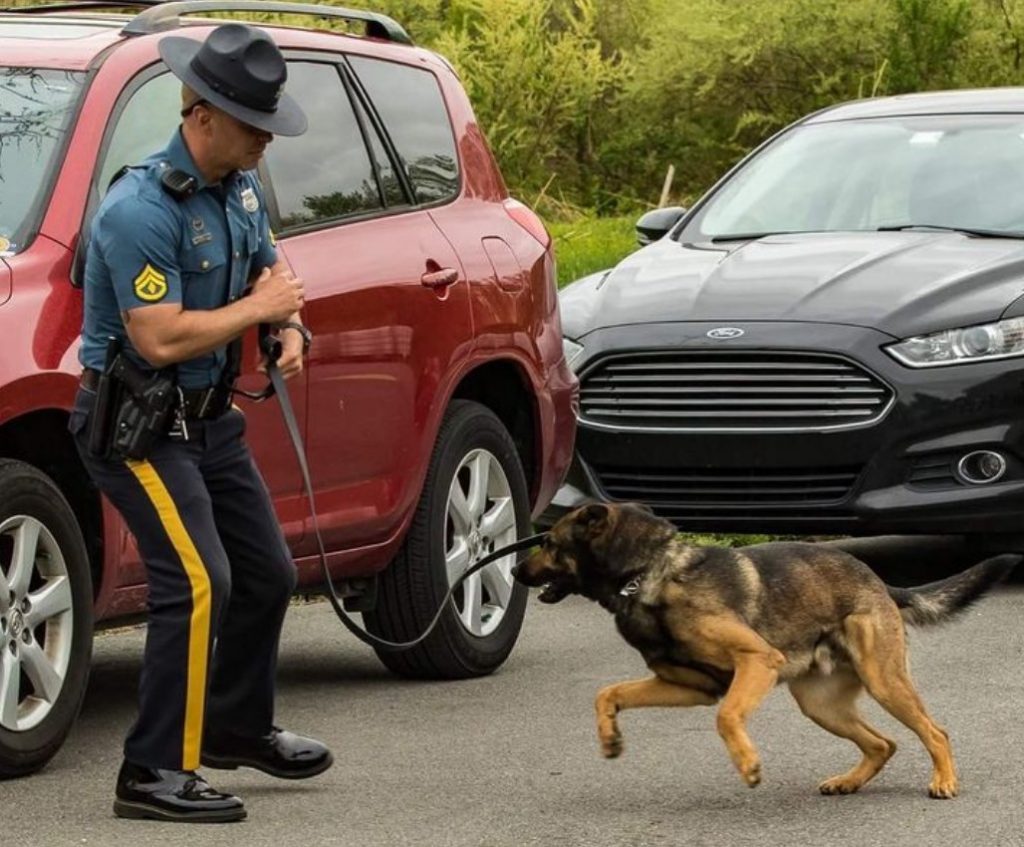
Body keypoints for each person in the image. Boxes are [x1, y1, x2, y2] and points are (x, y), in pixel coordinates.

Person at [69, 23, 331, 824]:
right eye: (254, 125)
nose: (265, 140)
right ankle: (149, 771)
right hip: (137, 428)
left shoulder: (241, 188)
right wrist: (260, 309)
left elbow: (269, 270)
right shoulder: (139, 208)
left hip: (211, 422)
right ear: (202, 113)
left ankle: (233, 726)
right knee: (195, 580)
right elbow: (158, 335)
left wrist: (287, 327)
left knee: (268, 576)